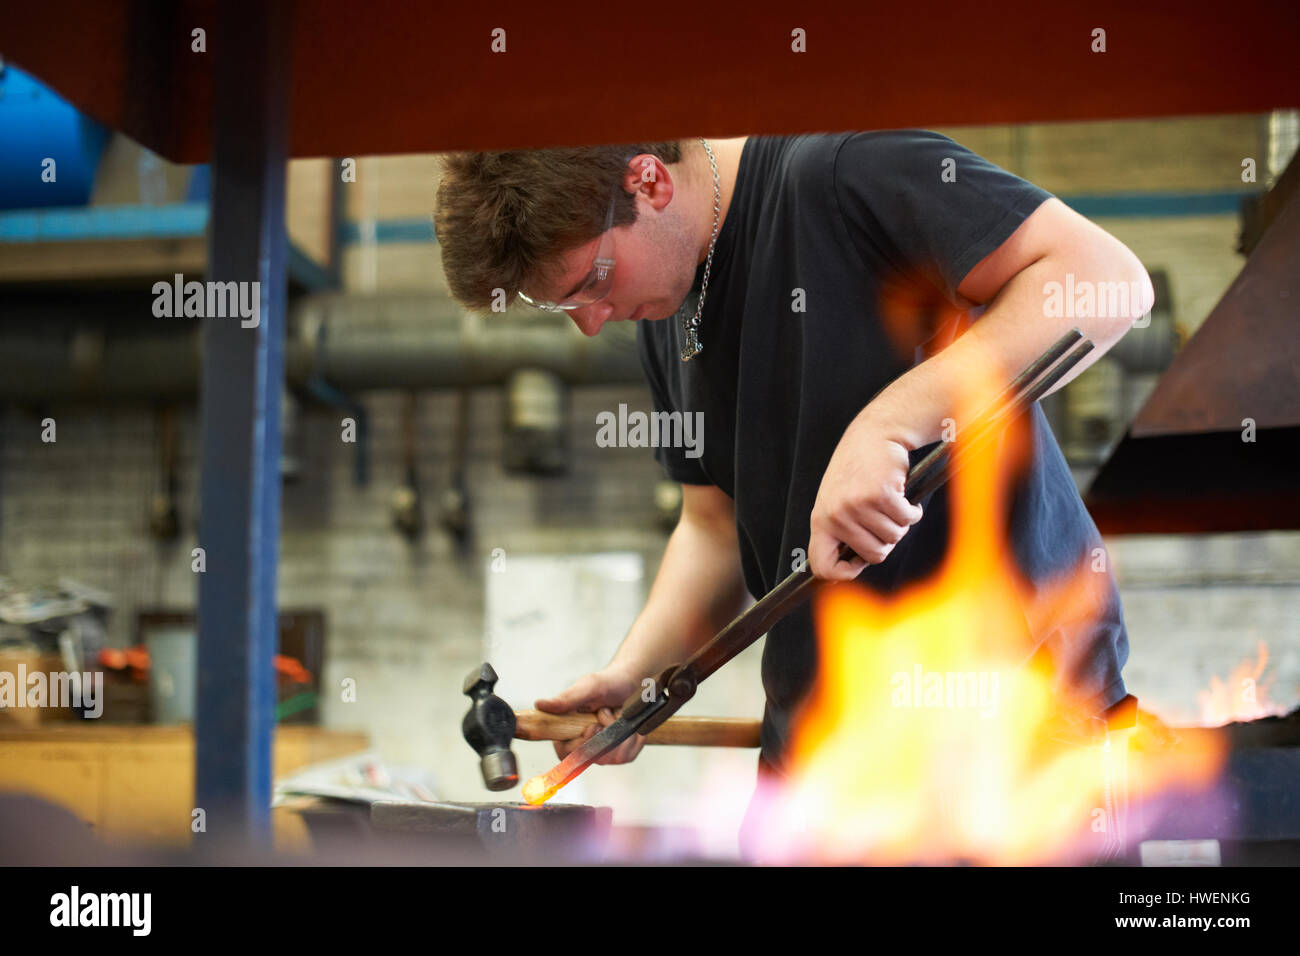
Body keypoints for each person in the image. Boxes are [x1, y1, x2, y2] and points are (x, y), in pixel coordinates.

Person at [434, 132, 1150, 841]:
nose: (591, 324)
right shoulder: (667, 312)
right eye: (562, 307)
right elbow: (713, 528)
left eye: (592, 282)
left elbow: (1105, 277)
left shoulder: (844, 173)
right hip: (822, 759)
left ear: (647, 182)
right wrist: (636, 677)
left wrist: (892, 425)